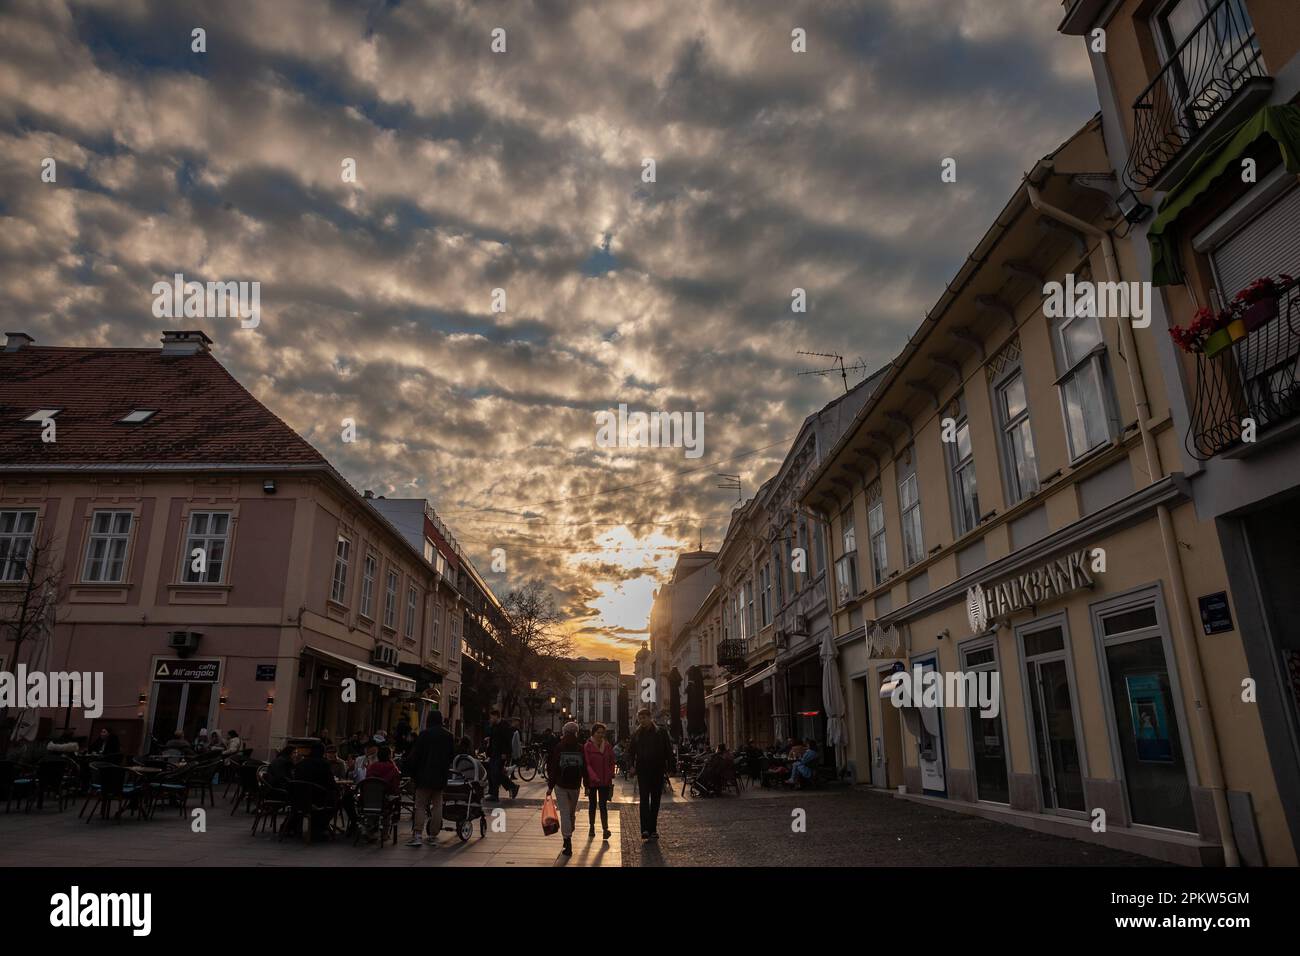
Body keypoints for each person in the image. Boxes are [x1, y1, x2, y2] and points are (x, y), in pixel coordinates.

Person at [403, 711, 455, 848]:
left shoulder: (424, 735)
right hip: (440, 777)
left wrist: (411, 772)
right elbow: (451, 757)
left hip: (424, 777)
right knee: (437, 806)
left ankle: (418, 835)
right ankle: (433, 835)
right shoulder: (449, 736)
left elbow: (416, 756)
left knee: (420, 806)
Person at [627, 707, 673, 840]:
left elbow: (668, 749)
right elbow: (630, 752)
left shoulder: (661, 732)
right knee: (644, 799)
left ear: (650, 717)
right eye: (640, 718)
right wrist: (631, 766)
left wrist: (670, 766)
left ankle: (653, 828)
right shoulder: (636, 734)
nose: (642, 720)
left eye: (644, 718)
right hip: (643, 770)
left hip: (658, 770)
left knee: (655, 800)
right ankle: (645, 829)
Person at [546, 721, 587, 857]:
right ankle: (569, 828)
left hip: (561, 784)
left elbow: (553, 768)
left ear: (564, 732)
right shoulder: (581, 748)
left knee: (564, 813)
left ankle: (567, 841)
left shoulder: (559, 747)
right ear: (576, 732)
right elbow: (585, 768)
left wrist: (550, 787)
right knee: (570, 812)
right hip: (575, 785)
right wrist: (587, 785)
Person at [292, 742, 339, 841]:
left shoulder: (301, 764)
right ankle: (320, 827)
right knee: (336, 800)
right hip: (319, 799)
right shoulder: (324, 764)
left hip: (300, 799)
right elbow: (330, 783)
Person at [583, 722, 616, 841]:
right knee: (592, 805)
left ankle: (605, 829)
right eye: (598, 732)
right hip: (592, 781)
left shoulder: (607, 746)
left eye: (602, 732)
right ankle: (591, 827)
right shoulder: (588, 746)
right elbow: (587, 764)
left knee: (603, 805)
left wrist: (611, 773)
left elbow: (612, 761)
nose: (600, 735)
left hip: (605, 781)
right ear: (593, 733)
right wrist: (593, 777)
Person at [486, 710, 519, 802]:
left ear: (497, 716)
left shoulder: (504, 726)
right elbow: (494, 738)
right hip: (494, 752)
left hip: (501, 754)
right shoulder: (494, 726)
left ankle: (495, 794)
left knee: (495, 773)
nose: (491, 719)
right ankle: (512, 786)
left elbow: (507, 741)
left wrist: (505, 753)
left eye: (492, 717)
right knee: (493, 772)